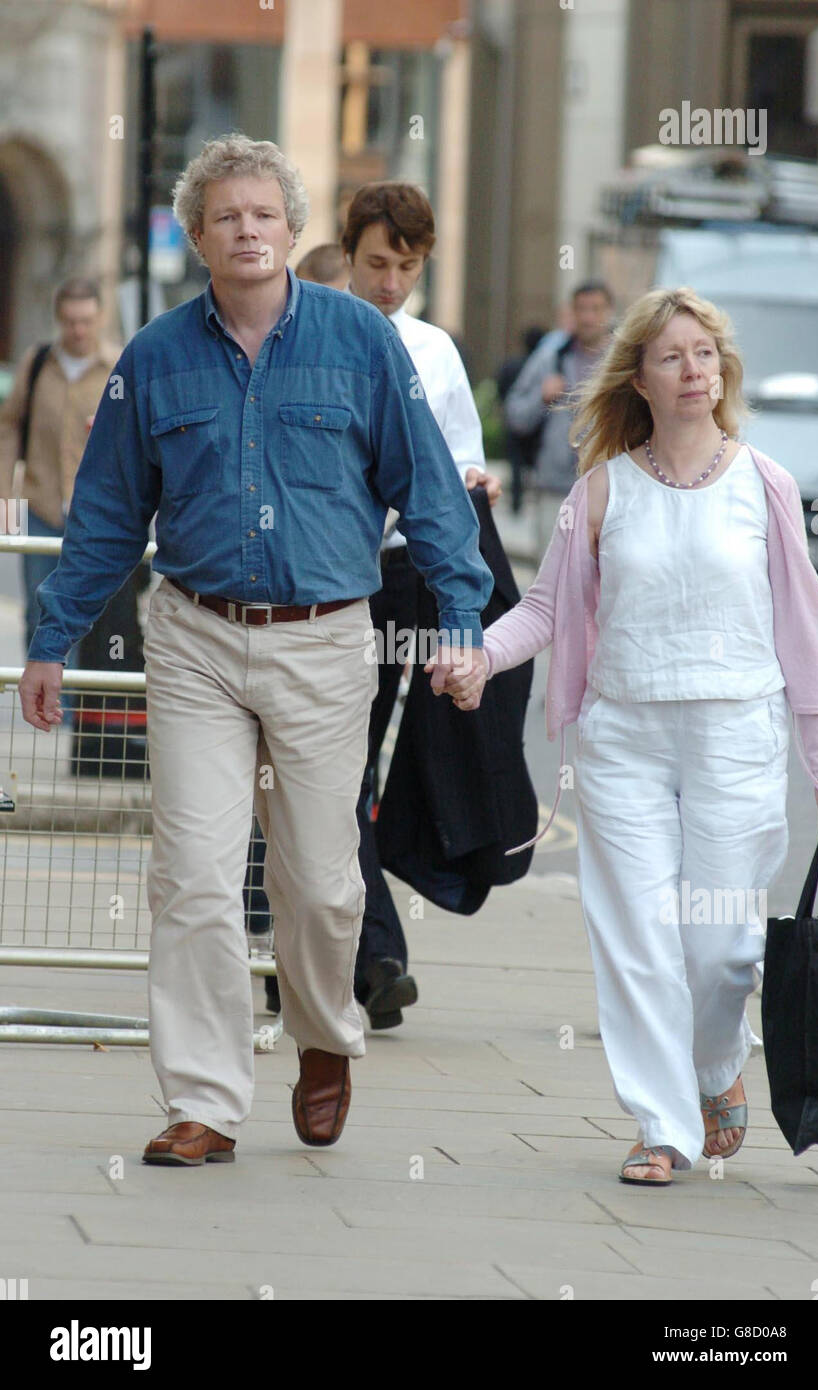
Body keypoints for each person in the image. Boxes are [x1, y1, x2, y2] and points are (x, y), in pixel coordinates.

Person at [18, 133, 493, 1166]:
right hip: (192, 636)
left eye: (264, 213)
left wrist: (462, 619)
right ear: (196, 236)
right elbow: (104, 516)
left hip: (323, 641)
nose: (247, 229)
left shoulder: (363, 346)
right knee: (191, 876)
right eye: (226, 215)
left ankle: (324, 1035)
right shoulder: (152, 360)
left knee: (323, 885)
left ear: (293, 228)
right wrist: (51, 638)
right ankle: (205, 1099)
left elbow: (434, 495)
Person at [435, 286, 818, 1186]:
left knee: (720, 945)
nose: (693, 370)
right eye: (671, 356)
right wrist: (477, 659)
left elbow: (808, 635)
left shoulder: (761, 482)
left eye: (705, 354)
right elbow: (545, 608)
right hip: (622, 739)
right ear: (640, 380)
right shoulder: (601, 490)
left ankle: (713, 1064)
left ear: (721, 370)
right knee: (636, 937)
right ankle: (663, 1126)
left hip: (736, 734)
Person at [342, 179, 501, 1029]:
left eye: (405, 266)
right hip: (321, 576)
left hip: (401, 575)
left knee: (351, 759)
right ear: (347, 253)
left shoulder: (435, 351)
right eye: (375, 262)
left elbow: (461, 461)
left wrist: (478, 481)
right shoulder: (316, 330)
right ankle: (366, 952)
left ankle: (344, 948)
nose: (389, 281)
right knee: (319, 762)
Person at [0, 277, 121, 667]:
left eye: (86, 320)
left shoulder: (117, 366)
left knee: (92, 613)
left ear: (100, 317)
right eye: (70, 321)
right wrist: (5, 499)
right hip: (41, 507)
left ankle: (80, 703)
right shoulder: (37, 364)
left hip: (97, 513)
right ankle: (46, 704)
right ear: (58, 319)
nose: (78, 330)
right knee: (38, 610)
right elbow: (9, 428)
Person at [504, 281, 613, 554]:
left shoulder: (622, 363)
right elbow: (515, 415)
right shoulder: (550, 358)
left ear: (609, 312)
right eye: (581, 309)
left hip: (609, 490)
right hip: (554, 490)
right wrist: (541, 397)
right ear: (571, 312)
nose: (588, 317)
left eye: (596, 309)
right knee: (550, 581)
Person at [496, 324, 547, 513]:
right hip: (536, 427)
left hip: (513, 425)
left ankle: (516, 503)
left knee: (516, 466)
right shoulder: (542, 366)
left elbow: (500, 389)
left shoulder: (512, 364)